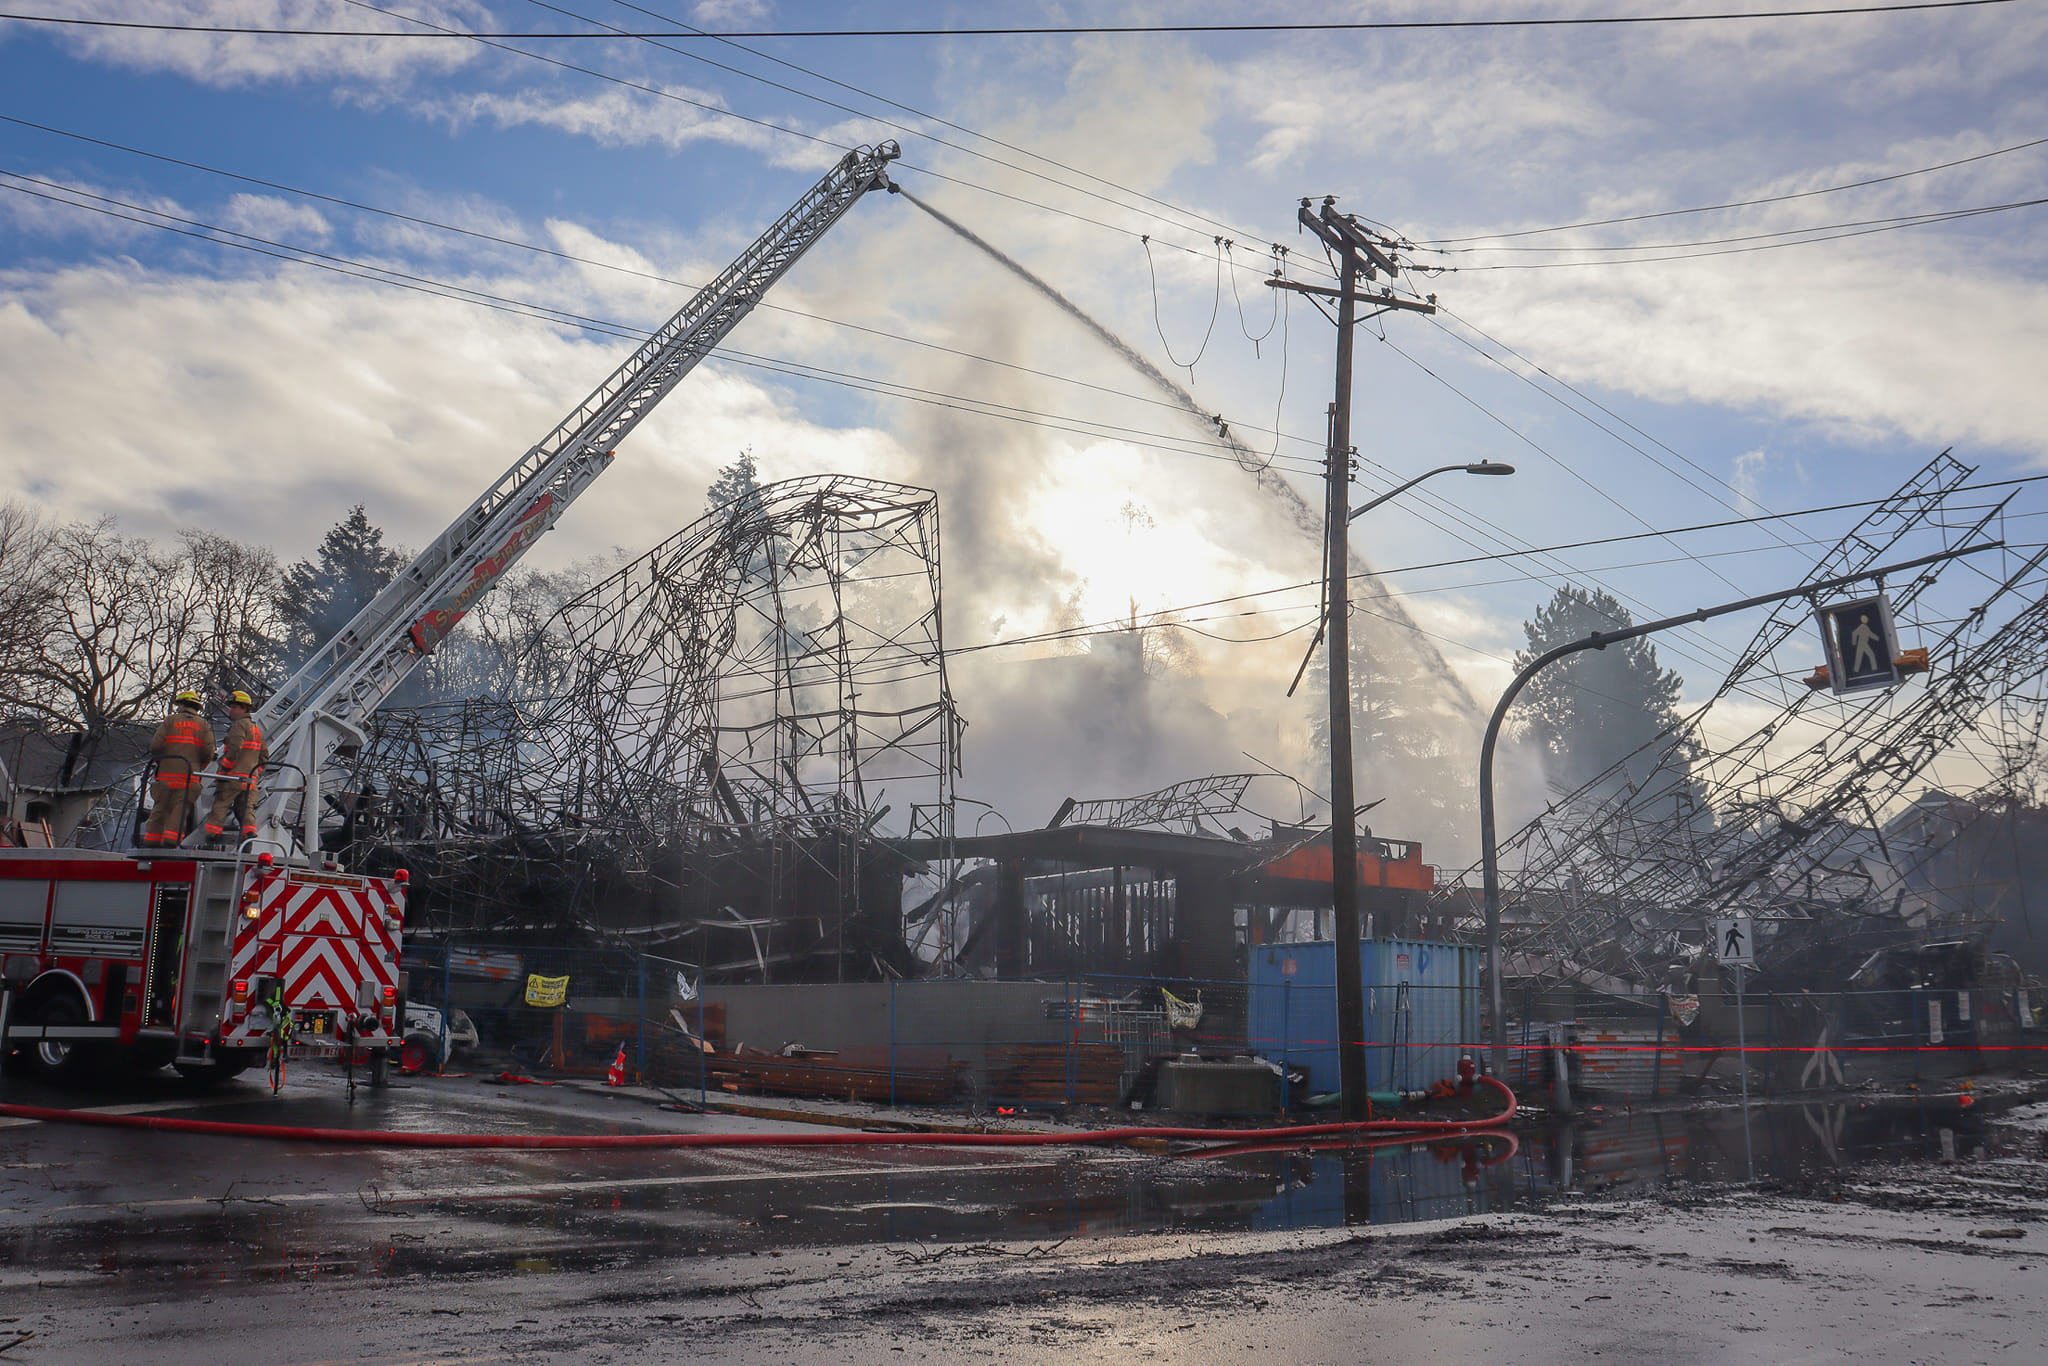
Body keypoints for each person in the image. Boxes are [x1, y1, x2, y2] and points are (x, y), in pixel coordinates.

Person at [141, 690, 215, 847]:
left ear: (182, 704)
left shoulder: (170, 721)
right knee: (180, 810)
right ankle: (171, 841)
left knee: (160, 809)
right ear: (196, 707)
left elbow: (156, 746)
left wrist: (163, 762)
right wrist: (199, 767)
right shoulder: (203, 725)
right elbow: (208, 751)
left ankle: (151, 842)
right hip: (189, 778)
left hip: (165, 778)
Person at [204, 690, 268, 842]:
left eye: (234, 707)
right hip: (250, 780)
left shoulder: (238, 726)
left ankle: (212, 835)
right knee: (246, 808)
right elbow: (264, 755)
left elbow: (234, 750)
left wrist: (225, 769)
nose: (230, 710)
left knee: (220, 805)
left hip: (232, 778)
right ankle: (249, 834)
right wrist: (254, 772)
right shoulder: (256, 729)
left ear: (244, 709)